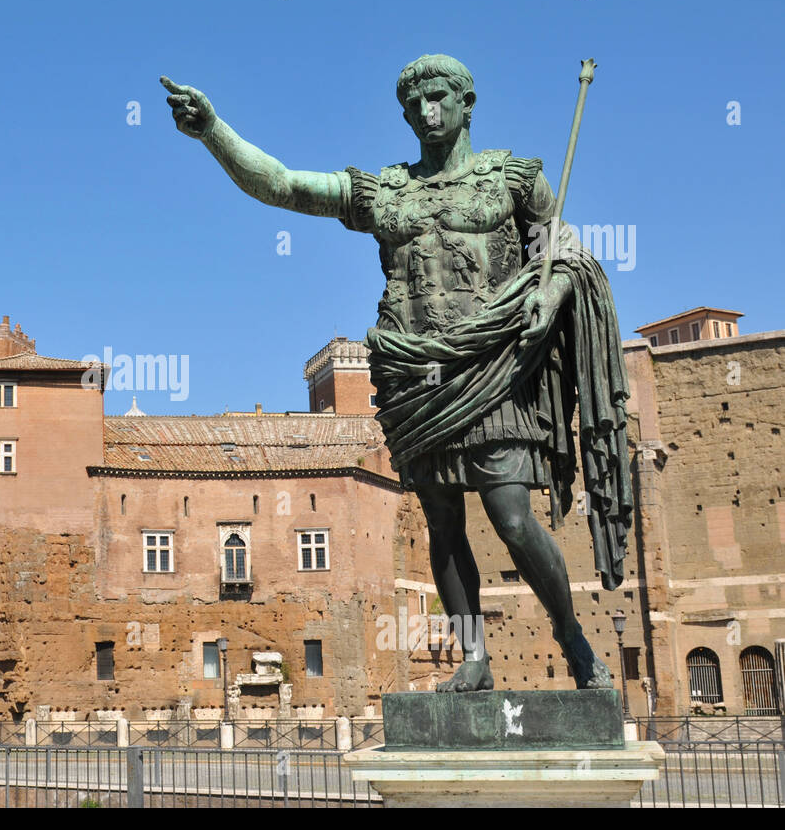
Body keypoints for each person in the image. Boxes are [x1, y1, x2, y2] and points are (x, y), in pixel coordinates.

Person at [162, 55, 631, 691]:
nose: (426, 114)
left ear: (467, 103)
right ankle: (475, 659)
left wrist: (551, 294)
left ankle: (572, 642)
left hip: (491, 366)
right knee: (441, 524)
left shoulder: (511, 180)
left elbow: (564, 251)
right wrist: (213, 130)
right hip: (414, 374)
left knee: (513, 518)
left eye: (438, 99)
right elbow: (280, 184)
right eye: (413, 106)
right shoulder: (387, 191)